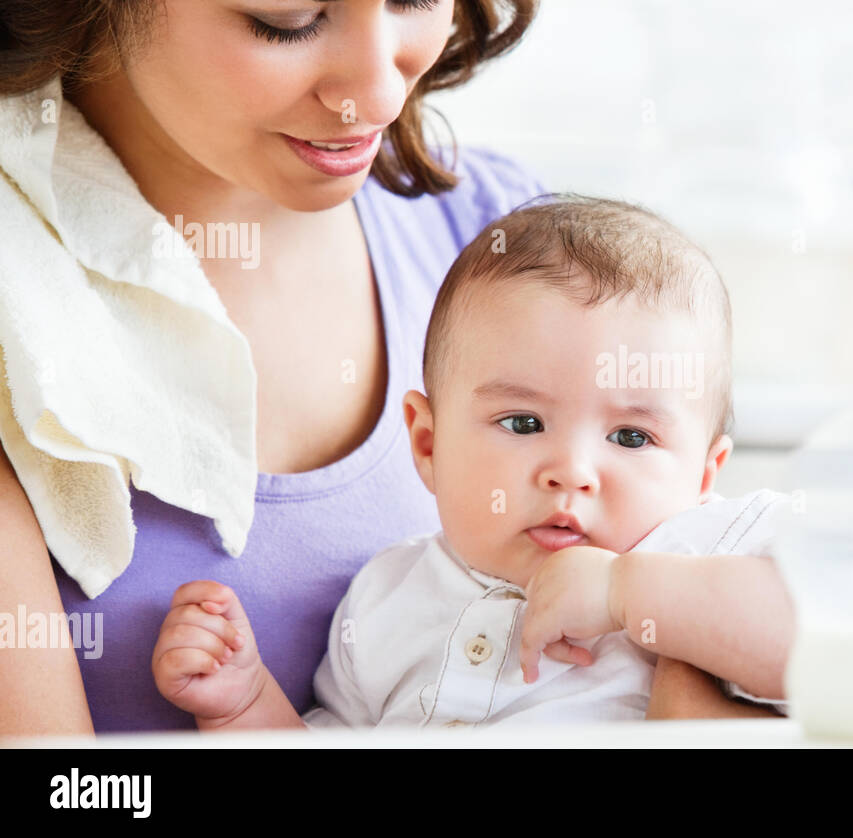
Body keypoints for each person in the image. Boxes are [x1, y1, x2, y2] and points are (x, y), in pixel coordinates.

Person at [0, 0, 790, 735]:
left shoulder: (515, 250)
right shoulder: (383, 613)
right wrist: (246, 704)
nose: (378, 94)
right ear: (426, 437)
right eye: (290, 18)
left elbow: (849, 651)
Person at [151, 196, 794, 728]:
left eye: (630, 438)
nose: (570, 471)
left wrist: (625, 593)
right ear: (429, 445)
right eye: (523, 423)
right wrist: (244, 705)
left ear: (705, 474)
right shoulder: (386, 598)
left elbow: (835, 644)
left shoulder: (707, 551)